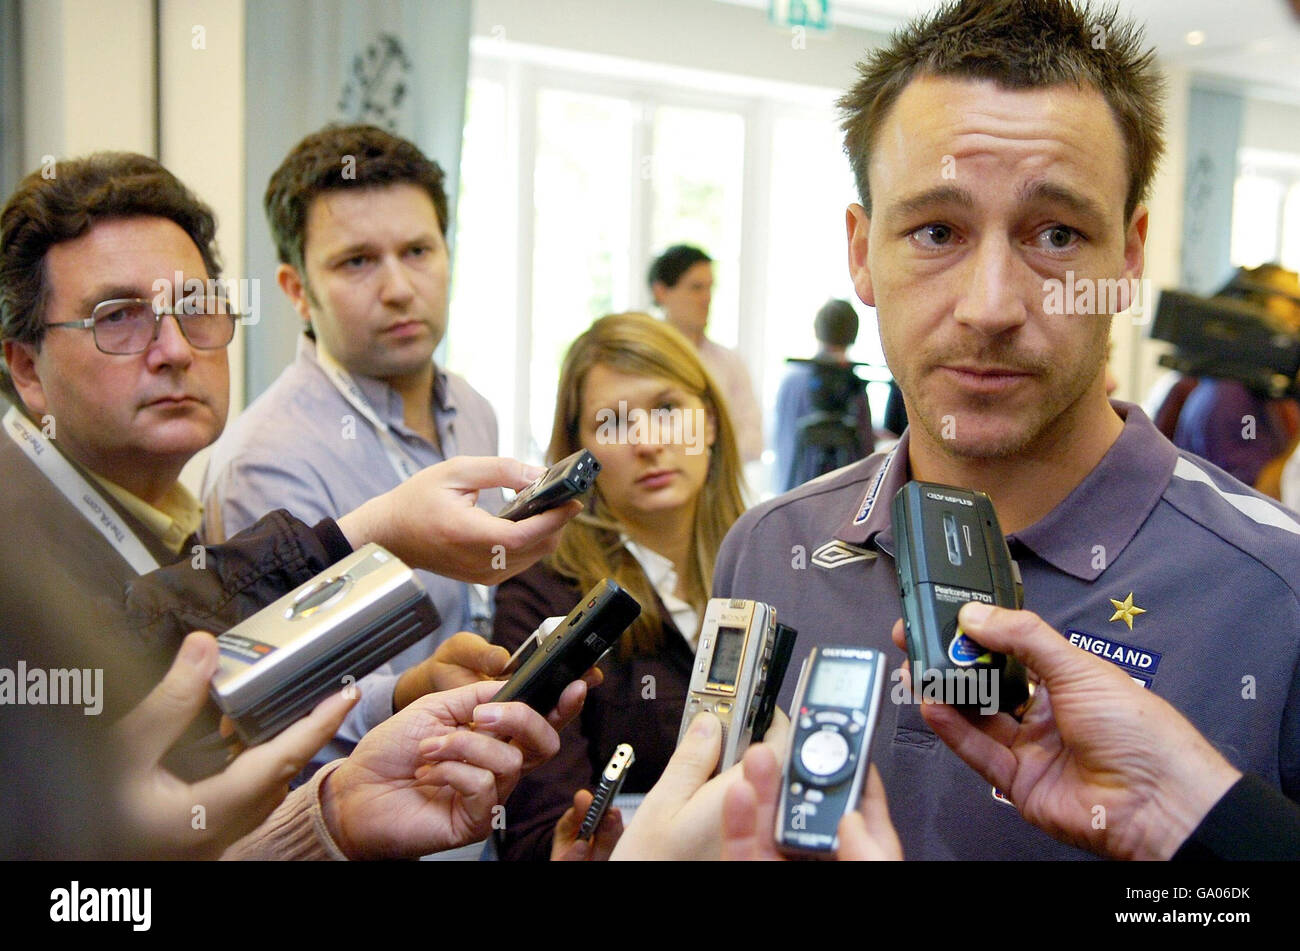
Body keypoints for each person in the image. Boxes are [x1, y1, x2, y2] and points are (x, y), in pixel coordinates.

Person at [711, 0, 1300, 860]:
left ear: (1128, 258)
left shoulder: (1277, 596)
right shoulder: (768, 549)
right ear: (861, 251)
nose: (991, 307)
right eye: (937, 230)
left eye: (1056, 234)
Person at [0, 152, 575, 783]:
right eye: (119, 318)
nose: (174, 350)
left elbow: (214, 702)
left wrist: (403, 694)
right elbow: (119, 681)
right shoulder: (19, 532)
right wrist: (376, 533)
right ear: (26, 367)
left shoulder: (162, 515)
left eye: (194, 306)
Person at [202, 125, 506, 767]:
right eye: (357, 261)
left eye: (418, 251)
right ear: (296, 291)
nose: (398, 288)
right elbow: (276, 699)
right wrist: (410, 693)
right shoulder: (268, 459)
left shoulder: (474, 412)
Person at [491, 312, 746, 860]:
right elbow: (540, 833)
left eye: (666, 410)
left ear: (711, 422)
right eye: (614, 423)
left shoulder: (767, 559)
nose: (649, 443)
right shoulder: (543, 594)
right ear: (580, 453)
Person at [648, 245, 763, 463]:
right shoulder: (641, 362)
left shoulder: (730, 363)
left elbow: (753, 442)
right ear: (661, 292)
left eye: (710, 288)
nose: (706, 298)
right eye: (696, 288)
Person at [772, 298, 874, 491]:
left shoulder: (791, 381)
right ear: (853, 334)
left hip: (791, 495)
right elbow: (865, 456)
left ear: (817, 329)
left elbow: (783, 447)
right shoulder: (851, 387)